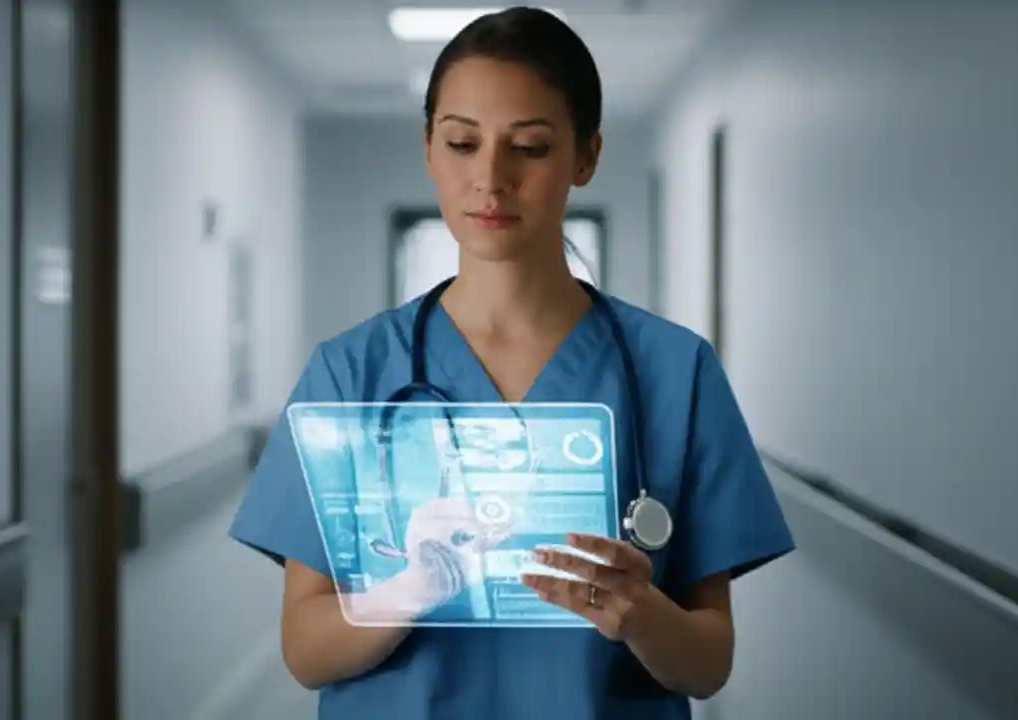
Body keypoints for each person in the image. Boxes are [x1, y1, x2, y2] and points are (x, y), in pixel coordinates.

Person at [228, 7, 795, 719]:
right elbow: (306, 652)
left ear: (585, 157)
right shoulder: (351, 371)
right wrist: (412, 588)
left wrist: (638, 612)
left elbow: (709, 661)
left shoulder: (675, 371)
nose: (490, 179)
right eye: (462, 142)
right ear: (430, 151)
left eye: (528, 147)